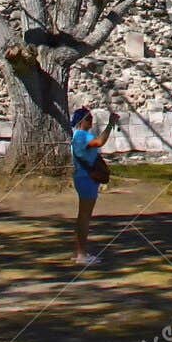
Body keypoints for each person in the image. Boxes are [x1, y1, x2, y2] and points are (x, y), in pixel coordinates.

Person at [69, 107, 118, 266]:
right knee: (85, 217)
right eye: (89, 118)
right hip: (86, 179)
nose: (91, 121)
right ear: (81, 121)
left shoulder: (77, 136)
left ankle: (78, 252)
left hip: (82, 177)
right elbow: (100, 142)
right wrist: (110, 125)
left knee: (82, 217)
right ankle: (82, 255)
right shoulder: (82, 136)